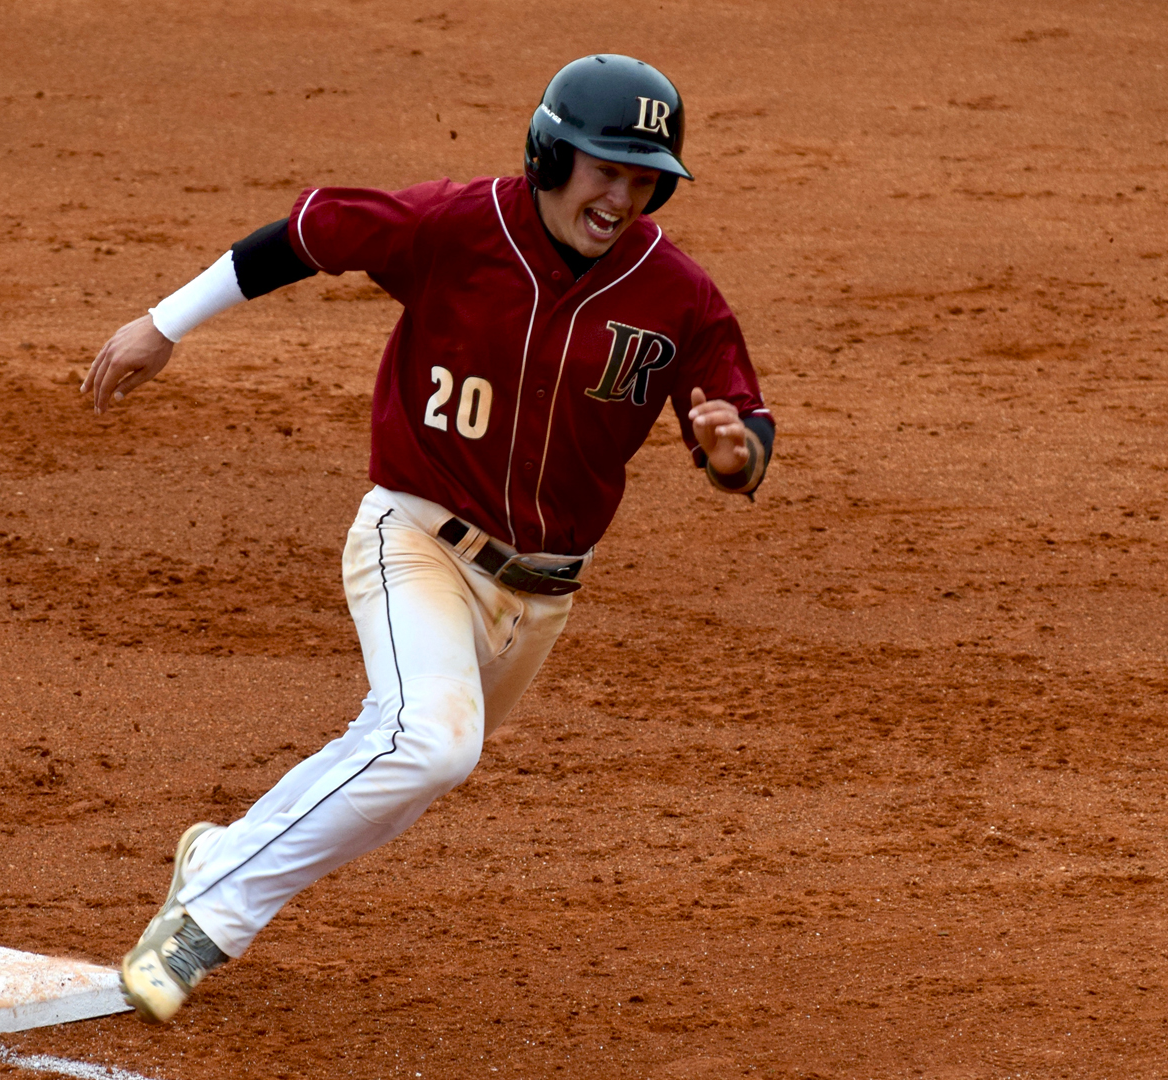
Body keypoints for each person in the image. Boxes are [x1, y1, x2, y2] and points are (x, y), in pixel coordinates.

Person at [82, 54, 775, 1024]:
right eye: (602, 167)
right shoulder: (455, 227)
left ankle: (219, 852)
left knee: (399, 766)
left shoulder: (676, 295)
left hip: (540, 601)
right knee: (432, 745)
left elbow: (742, 428)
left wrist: (734, 452)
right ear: (548, 153)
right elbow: (308, 235)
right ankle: (204, 918)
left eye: (642, 175)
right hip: (416, 540)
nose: (621, 195)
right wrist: (164, 323)